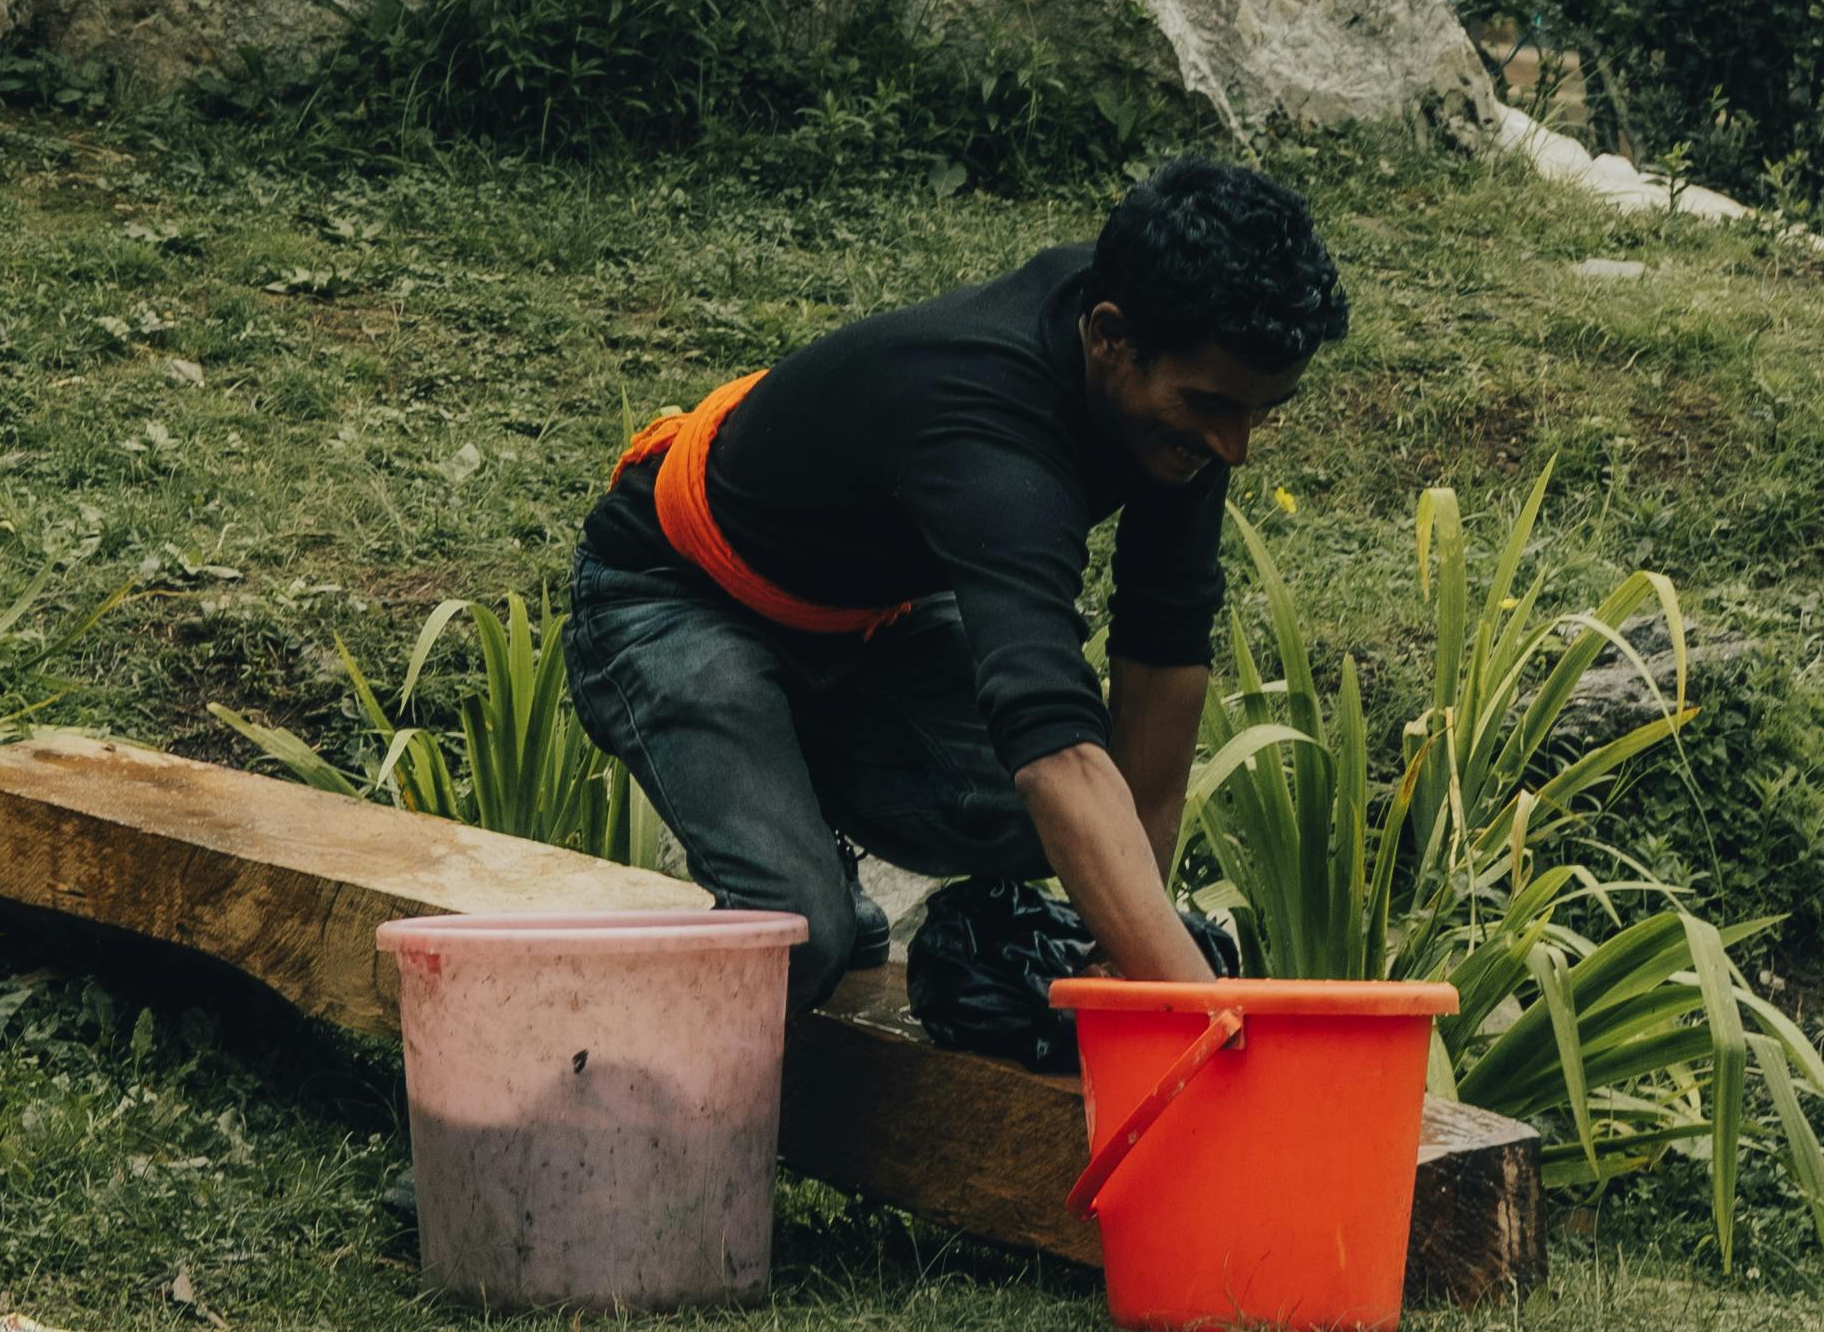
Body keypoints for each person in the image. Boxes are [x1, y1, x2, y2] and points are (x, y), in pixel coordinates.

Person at [563, 154, 1347, 1070]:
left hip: (862, 618)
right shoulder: (987, 433)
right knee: (803, 935)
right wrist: (1213, 1034)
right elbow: (1054, 752)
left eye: (1261, 412)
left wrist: (1129, 966)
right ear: (1109, 336)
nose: (1235, 447)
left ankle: (795, 810)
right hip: (673, 596)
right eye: (1214, 407)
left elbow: (1162, 660)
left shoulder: (1175, 395)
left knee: (1076, 834)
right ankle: (532, 1117)